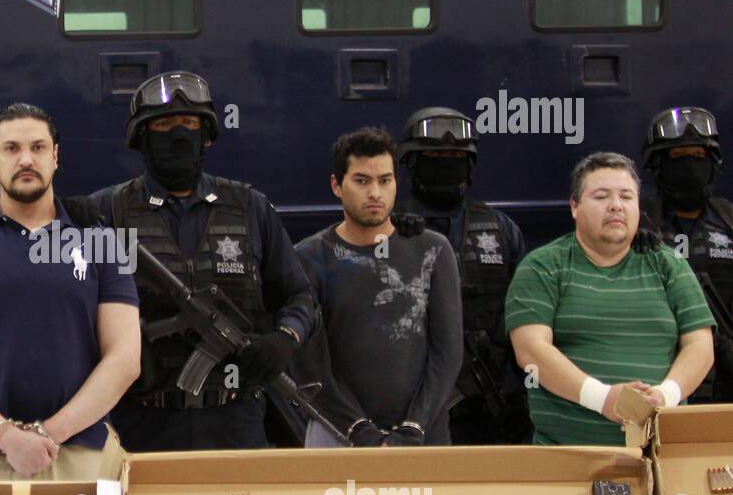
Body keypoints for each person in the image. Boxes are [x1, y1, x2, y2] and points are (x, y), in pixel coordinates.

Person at [89, 71, 318, 451]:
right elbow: (40, 252)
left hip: (235, 420)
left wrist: (284, 338)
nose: (178, 133)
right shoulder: (107, 210)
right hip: (141, 421)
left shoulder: (250, 208)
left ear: (205, 135)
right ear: (142, 138)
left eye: (188, 123)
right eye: (163, 124)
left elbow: (300, 296)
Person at [0, 103, 140, 480]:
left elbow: (124, 361)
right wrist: (5, 435)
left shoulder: (101, 243)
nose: (26, 159)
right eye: (11, 148)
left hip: (78, 452)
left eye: (38, 148)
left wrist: (47, 434)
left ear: (55, 156)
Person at [507, 151, 714, 445]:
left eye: (626, 197)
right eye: (602, 196)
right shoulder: (542, 266)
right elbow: (530, 351)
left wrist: (664, 396)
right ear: (574, 207)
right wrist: (603, 399)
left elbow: (701, 345)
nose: (616, 206)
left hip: (662, 453)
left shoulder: (670, 264)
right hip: (567, 458)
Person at [295, 127, 463, 447]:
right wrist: (357, 429)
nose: (375, 192)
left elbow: (448, 353)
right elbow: (309, 363)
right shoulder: (309, 257)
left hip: (424, 435)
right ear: (336, 185)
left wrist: (414, 426)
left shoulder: (434, 250)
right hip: (336, 434)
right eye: (362, 180)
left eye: (384, 180)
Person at [395, 107, 531, 444]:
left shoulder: (500, 230)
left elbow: (528, 316)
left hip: (490, 399)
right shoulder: (386, 231)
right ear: (411, 165)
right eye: (434, 157)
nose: (445, 165)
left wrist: (526, 395)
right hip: (410, 404)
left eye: (455, 157)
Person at [639, 107, 733, 403]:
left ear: (712, 163)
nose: (689, 166)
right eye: (678, 158)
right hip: (659, 378)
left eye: (698, 156)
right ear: (658, 165)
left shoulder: (729, 221)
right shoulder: (636, 223)